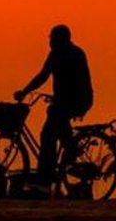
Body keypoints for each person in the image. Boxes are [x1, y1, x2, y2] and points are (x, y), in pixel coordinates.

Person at [13, 24, 94, 187]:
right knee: (51, 131)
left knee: (51, 126)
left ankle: (62, 159)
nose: (49, 41)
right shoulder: (68, 52)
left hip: (75, 100)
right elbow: (48, 76)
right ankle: (50, 170)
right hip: (72, 99)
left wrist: (25, 91)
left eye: (52, 38)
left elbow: (45, 76)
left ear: (59, 39)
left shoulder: (65, 54)